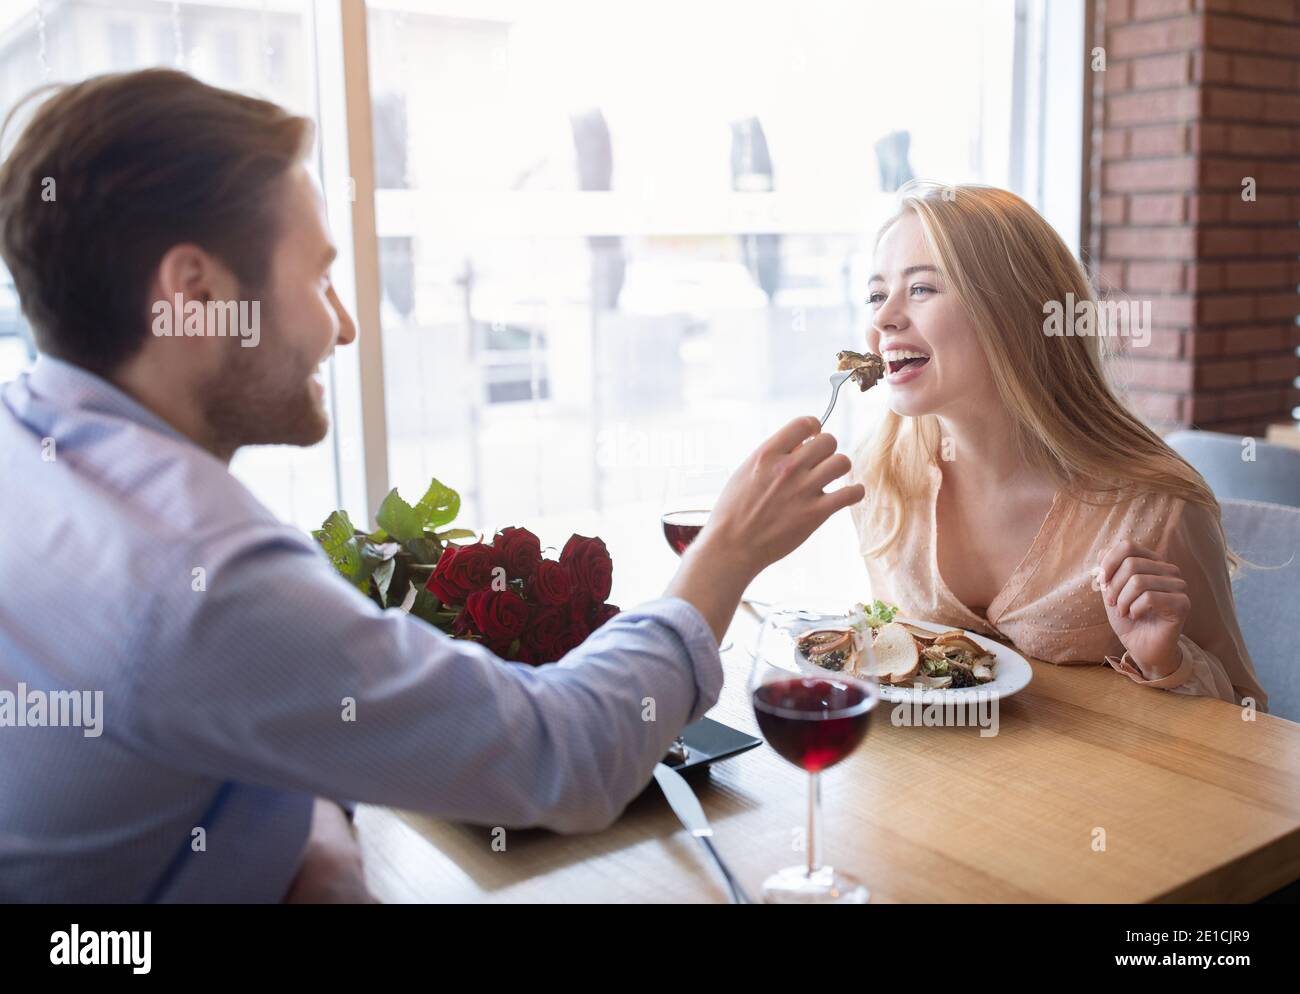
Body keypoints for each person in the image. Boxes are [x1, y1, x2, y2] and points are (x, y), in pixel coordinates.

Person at [0, 69, 864, 902]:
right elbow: (561, 755)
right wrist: (728, 550)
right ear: (195, 292)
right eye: (319, 277)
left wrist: (319, 844)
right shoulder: (198, 580)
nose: (340, 327)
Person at [850, 182, 1267, 710]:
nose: (882, 318)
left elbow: (1251, 717)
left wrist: (1166, 663)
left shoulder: (1156, 509)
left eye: (922, 289)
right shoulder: (878, 478)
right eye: (875, 295)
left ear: (1018, 311)